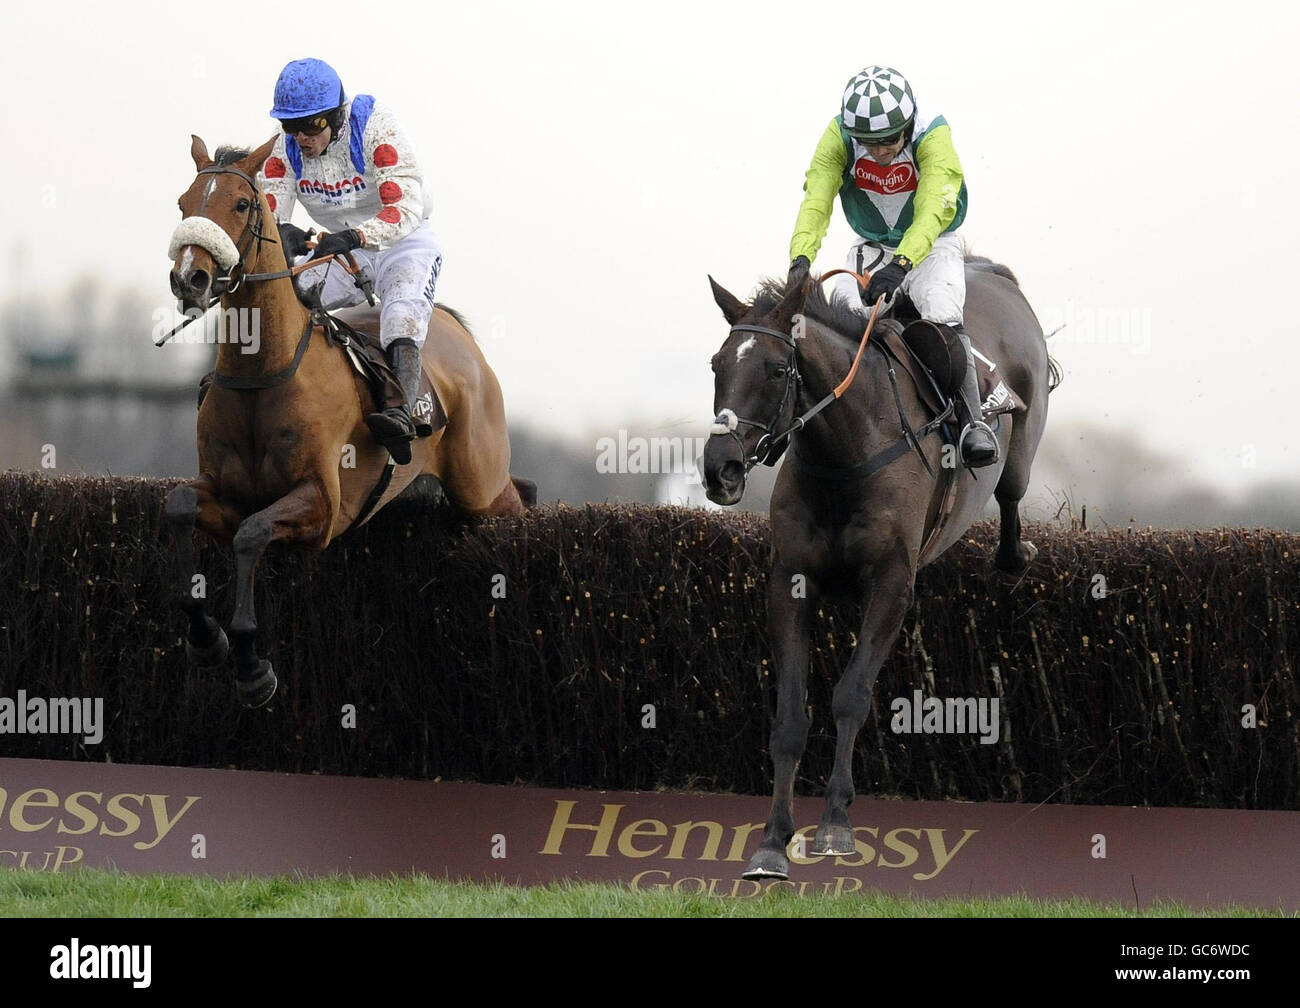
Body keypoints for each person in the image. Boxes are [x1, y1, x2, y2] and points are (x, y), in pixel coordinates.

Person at [787, 65, 997, 468]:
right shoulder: (839, 137)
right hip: (871, 244)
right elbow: (817, 198)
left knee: (941, 309)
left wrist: (902, 263)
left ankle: (973, 422)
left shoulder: (932, 134)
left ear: (907, 124)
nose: (880, 152)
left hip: (934, 243)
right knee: (843, 318)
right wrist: (801, 258)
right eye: (869, 144)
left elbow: (936, 205)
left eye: (888, 142)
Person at [258, 57, 442, 465]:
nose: (302, 138)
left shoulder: (376, 127)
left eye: (312, 126)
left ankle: (401, 410)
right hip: (343, 246)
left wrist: (355, 236)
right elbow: (270, 216)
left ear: (337, 116)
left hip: (405, 241)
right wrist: (283, 235)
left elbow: (404, 207)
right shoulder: (283, 149)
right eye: (291, 127)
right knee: (292, 294)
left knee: (401, 318)